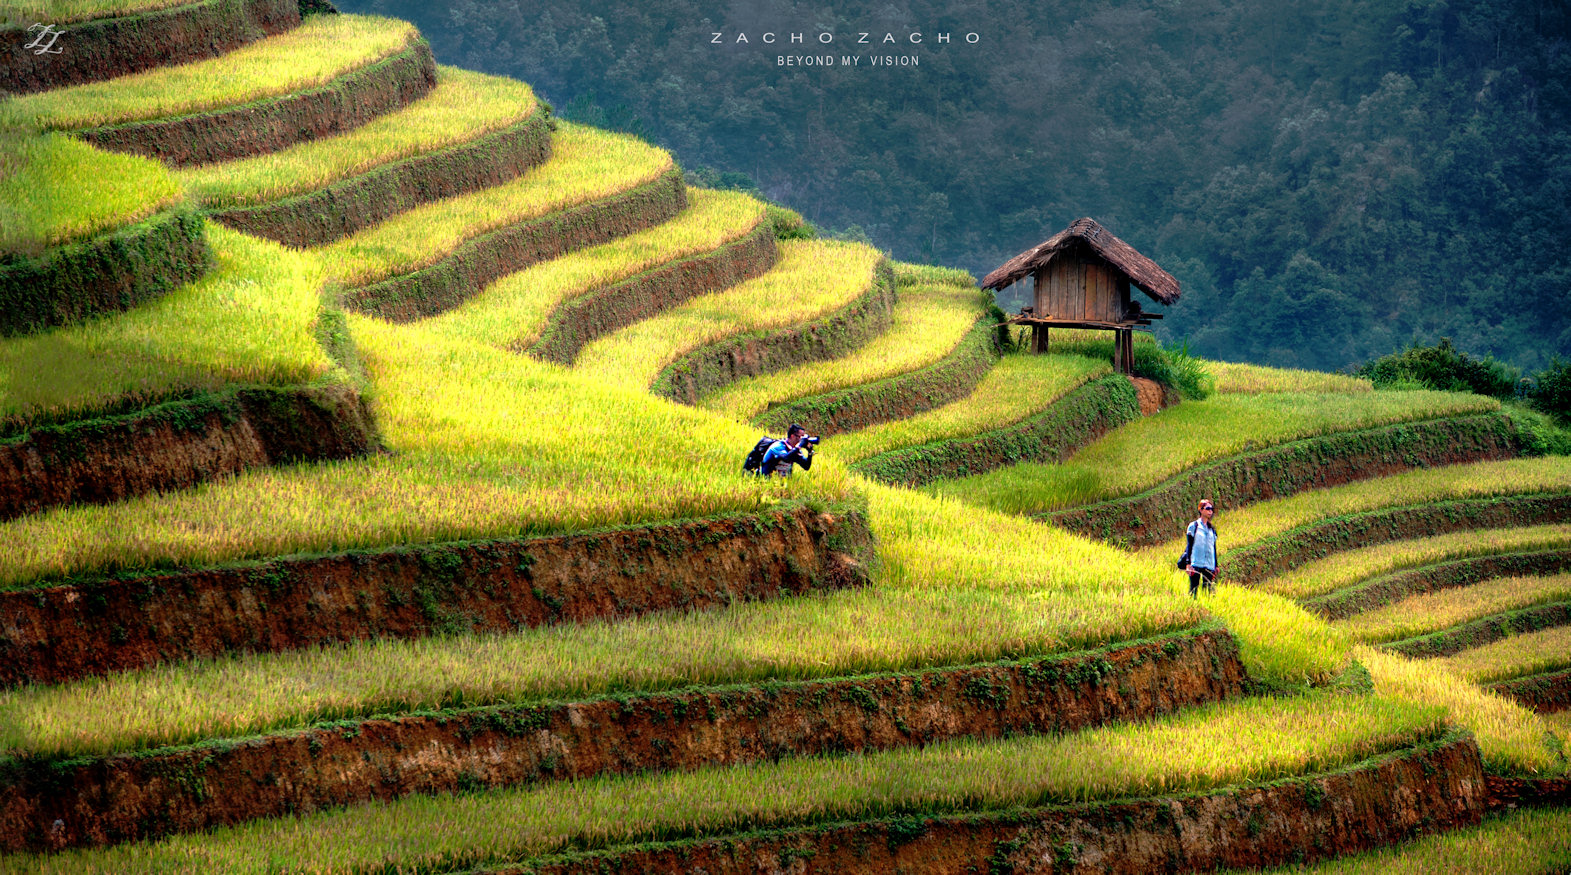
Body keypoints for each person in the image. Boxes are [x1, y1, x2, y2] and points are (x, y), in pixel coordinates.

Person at [1181, 499, 1219, 598]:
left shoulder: (1212, 530)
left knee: (1208, 591)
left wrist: (1216, 565)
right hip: (1196, 562)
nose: (1210, 511)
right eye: (1208, 509)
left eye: (1211, 509)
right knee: (1193, 590)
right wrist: (1188, 564)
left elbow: (1213, 548)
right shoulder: (1194, 526)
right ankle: (1192, 610)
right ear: (1201, 510)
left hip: (1209, 563)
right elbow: (1189, 545)